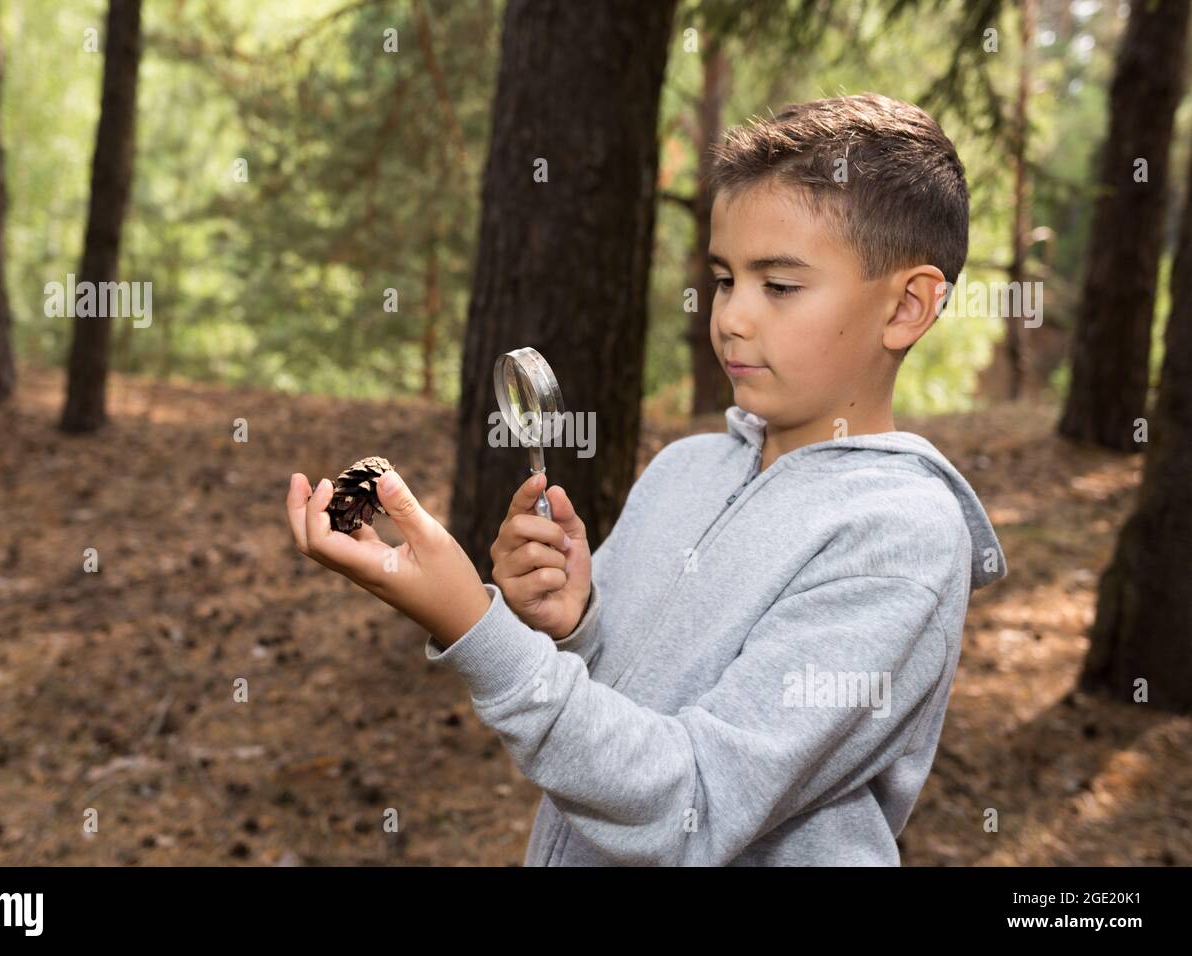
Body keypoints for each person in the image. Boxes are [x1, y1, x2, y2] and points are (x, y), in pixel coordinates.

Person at [285, 92, 1008, 865]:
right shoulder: (683, 468)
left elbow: (691, 801)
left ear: (908, 305)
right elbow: (621, 719)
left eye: (781, 286)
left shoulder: (898, 538)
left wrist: (476, 629)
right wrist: (577, 626)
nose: (730, 317)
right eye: (726, 279)